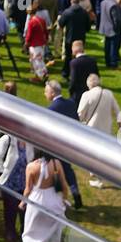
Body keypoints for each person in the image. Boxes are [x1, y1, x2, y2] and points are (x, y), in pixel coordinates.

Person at [19, 151, 70, 242]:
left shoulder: (31, 166)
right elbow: (64, 185)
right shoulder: (56, 163)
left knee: (30, 233)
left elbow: (28, 189)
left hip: (36, 203)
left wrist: (22, 202)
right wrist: (64, 200)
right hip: (54, 203)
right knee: (55, 233)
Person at [43, 80, 83, 209]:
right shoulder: (71, 104)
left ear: (53, 92)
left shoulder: (50, 110)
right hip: (69, 144)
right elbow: (77, 122)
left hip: (54, 145)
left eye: (46, 91)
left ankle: (57, 199)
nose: (45, 93)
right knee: (67, 169)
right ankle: (75, 192)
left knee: (54, 171)